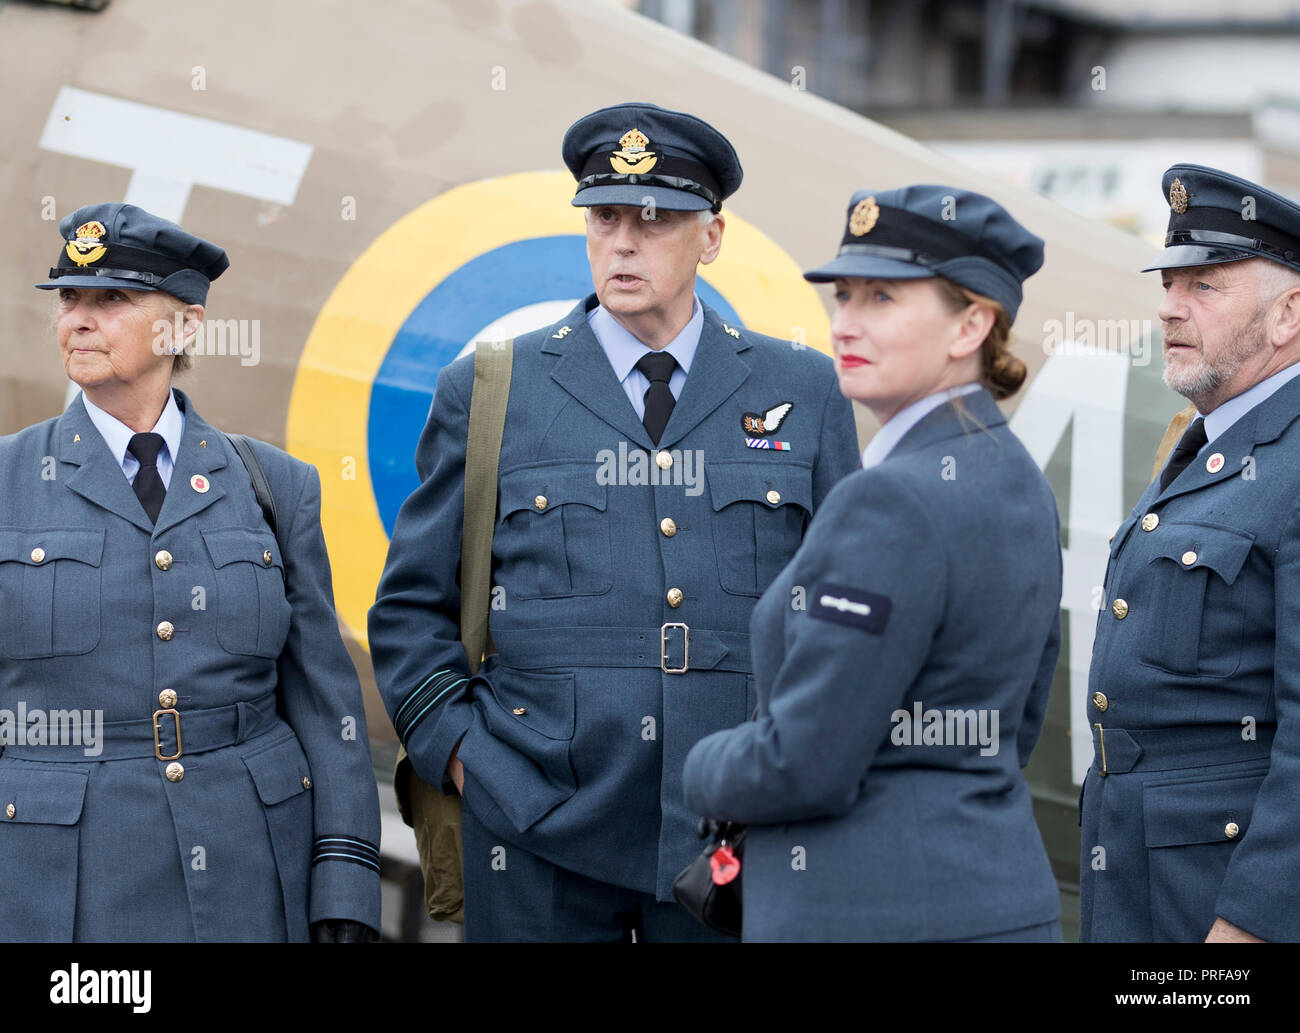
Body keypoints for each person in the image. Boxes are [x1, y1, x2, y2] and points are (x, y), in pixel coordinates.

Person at [368, 101, 861, 942]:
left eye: (656, 219)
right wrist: (463, 755)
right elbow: (411, 607)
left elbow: (842, 610)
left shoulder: (806, 391)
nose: (624, 242)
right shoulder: (490, 390)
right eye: (604, 218)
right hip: (536, 828)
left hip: (735, 834)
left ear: (712, 236)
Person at [681, 186, 1063, 942]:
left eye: (883, 298)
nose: (845, 322)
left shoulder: (890, 501)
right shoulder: (1015, 476)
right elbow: (1008, 729)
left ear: (973, 325)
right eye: (843, 294)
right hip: (996, 900)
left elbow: (804, 762)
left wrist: (696, 765)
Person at [0, 203, 381, 942]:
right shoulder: (8, 479)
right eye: (70, 298)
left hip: (244, 881)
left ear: (185, 327)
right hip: (57, 889)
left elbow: (323, 706)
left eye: (112, 299)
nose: (79, 318)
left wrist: (343, 882)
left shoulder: (275, 486)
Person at [1081, 164, 1300, 943]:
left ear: (1288, 315)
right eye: (1169, 282)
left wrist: (1250, 925)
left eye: (1204, 286)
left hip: (1218, 910)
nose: (1170, 308)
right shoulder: (1213, 440)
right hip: (1144, 889)